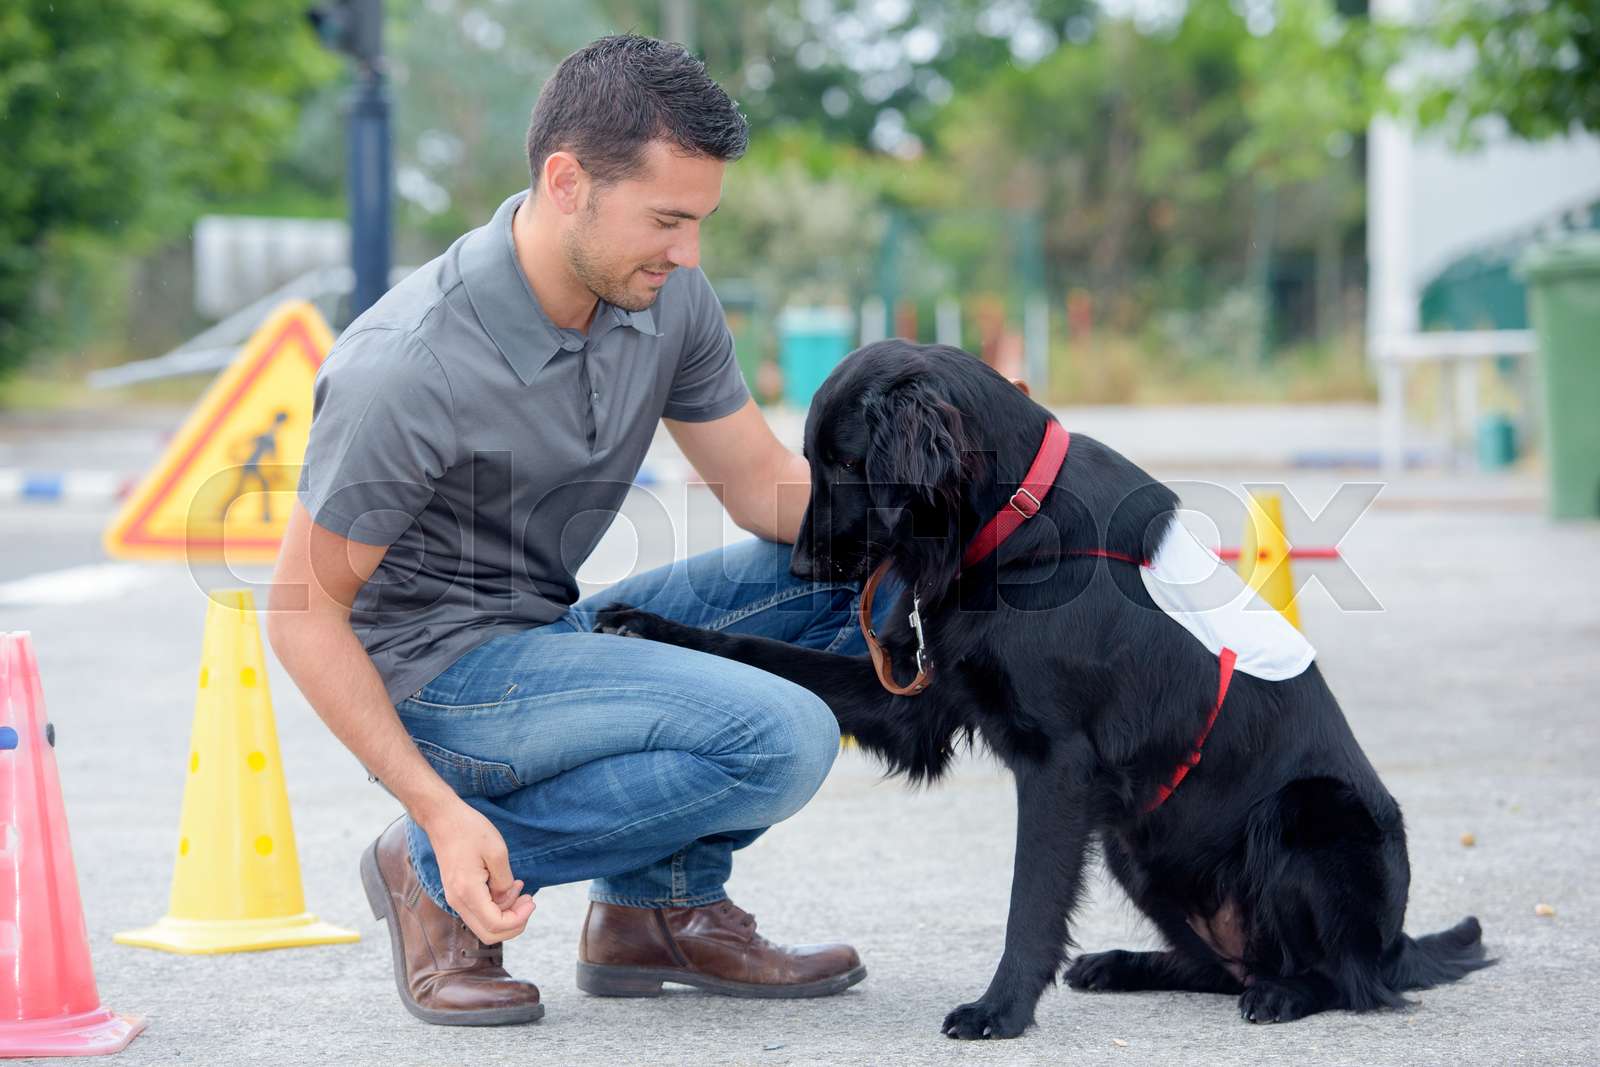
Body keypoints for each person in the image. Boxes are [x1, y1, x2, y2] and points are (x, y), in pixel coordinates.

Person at [267, 33, 898, 1027]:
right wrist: (437, 805)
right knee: (780, 736)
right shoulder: (408, 363)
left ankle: (653, 915)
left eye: (699, 222)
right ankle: (427, 865)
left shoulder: (664, 294)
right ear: (566, 182)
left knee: (864, 576)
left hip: (548, 634)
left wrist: (948, 515)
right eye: (666, 220)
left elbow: (764, 485)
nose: (688, 253)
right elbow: (301, 613)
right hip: (439, 678)